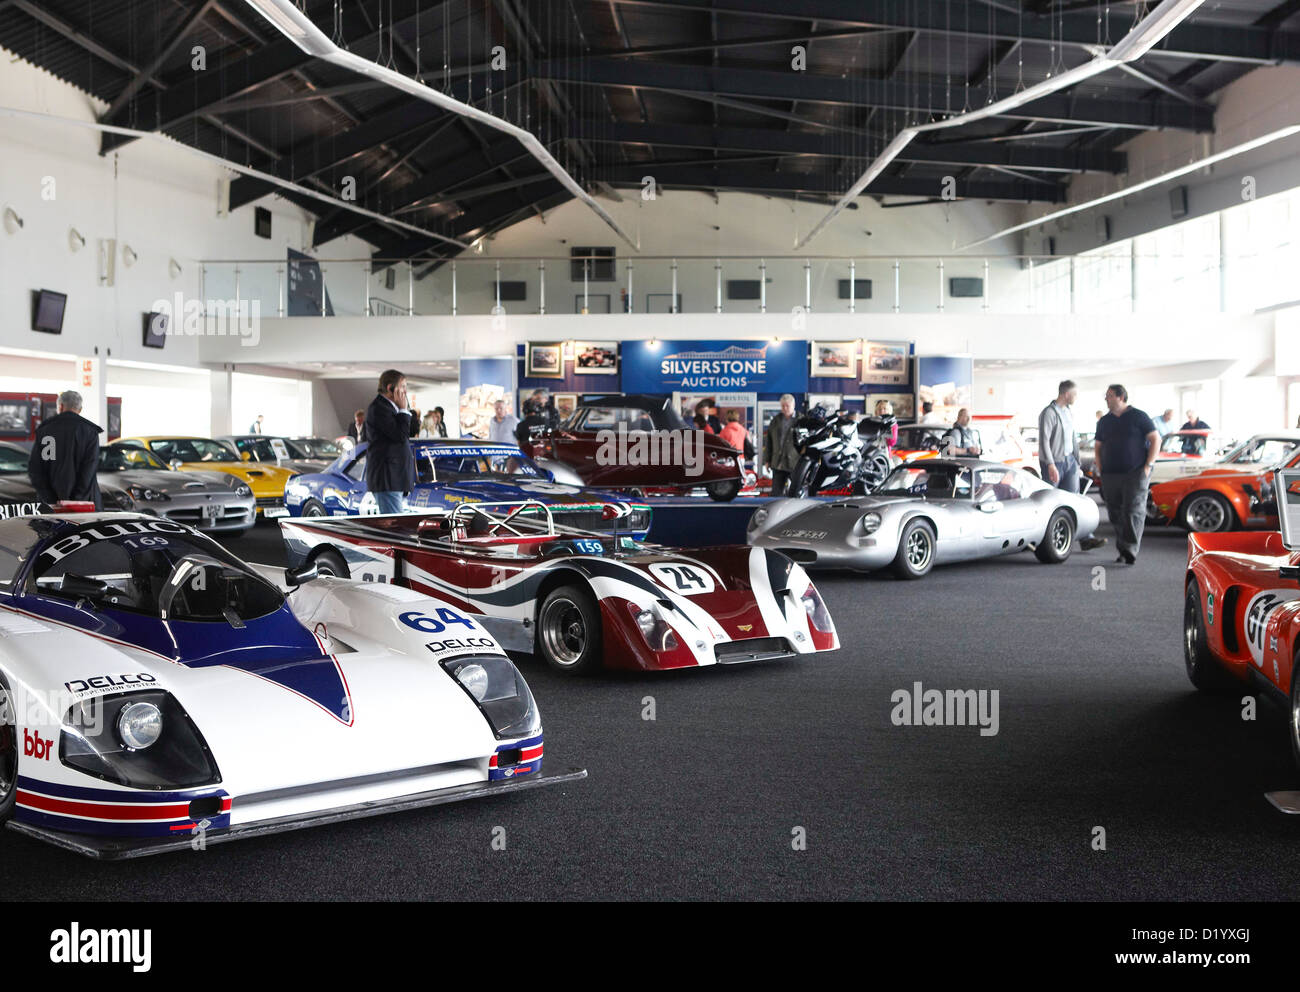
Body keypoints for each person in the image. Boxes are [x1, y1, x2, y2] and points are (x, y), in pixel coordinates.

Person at [1094, 383, 1159, 565]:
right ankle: (1123, 548)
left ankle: (1130, 549)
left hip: (1135, 472)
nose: (1106, 399)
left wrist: (1148, 465)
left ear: (1120, 397)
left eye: (1109, 396)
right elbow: (1098, 446)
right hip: (1109, 474)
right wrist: (1100, 468)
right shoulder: (1104, 421)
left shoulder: (1139, 417)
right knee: (1115, 513)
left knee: (1133, 510)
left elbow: (1155, 439)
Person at [28, 389, 103, 510]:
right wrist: (74, 501)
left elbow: (36, 471)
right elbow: (89, 470)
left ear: (61, 406)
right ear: (80, 409)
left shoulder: (45, 430)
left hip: (49, 506)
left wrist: (51, 499)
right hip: (85, 505)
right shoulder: (90, 432)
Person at [363, 370, 416, 515]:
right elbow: (400, 435)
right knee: (396, 528)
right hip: (387, 478)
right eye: (403, 386)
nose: (405, 391)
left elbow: (411, 431)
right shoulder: (379, 408)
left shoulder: (393, 407)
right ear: (390, 388)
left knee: (397, 525)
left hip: (396, 478)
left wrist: (405, 409)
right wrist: (403, 410)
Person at [763, 394, 800, 496]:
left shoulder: (801, 420)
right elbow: (769, 442)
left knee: (796, 493)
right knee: (776, 493)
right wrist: (767, 460)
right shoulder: (775, 421)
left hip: (795, 463)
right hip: (778, 462)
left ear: (793, 405)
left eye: (787, 406)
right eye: (783, 406)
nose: (784, 408)